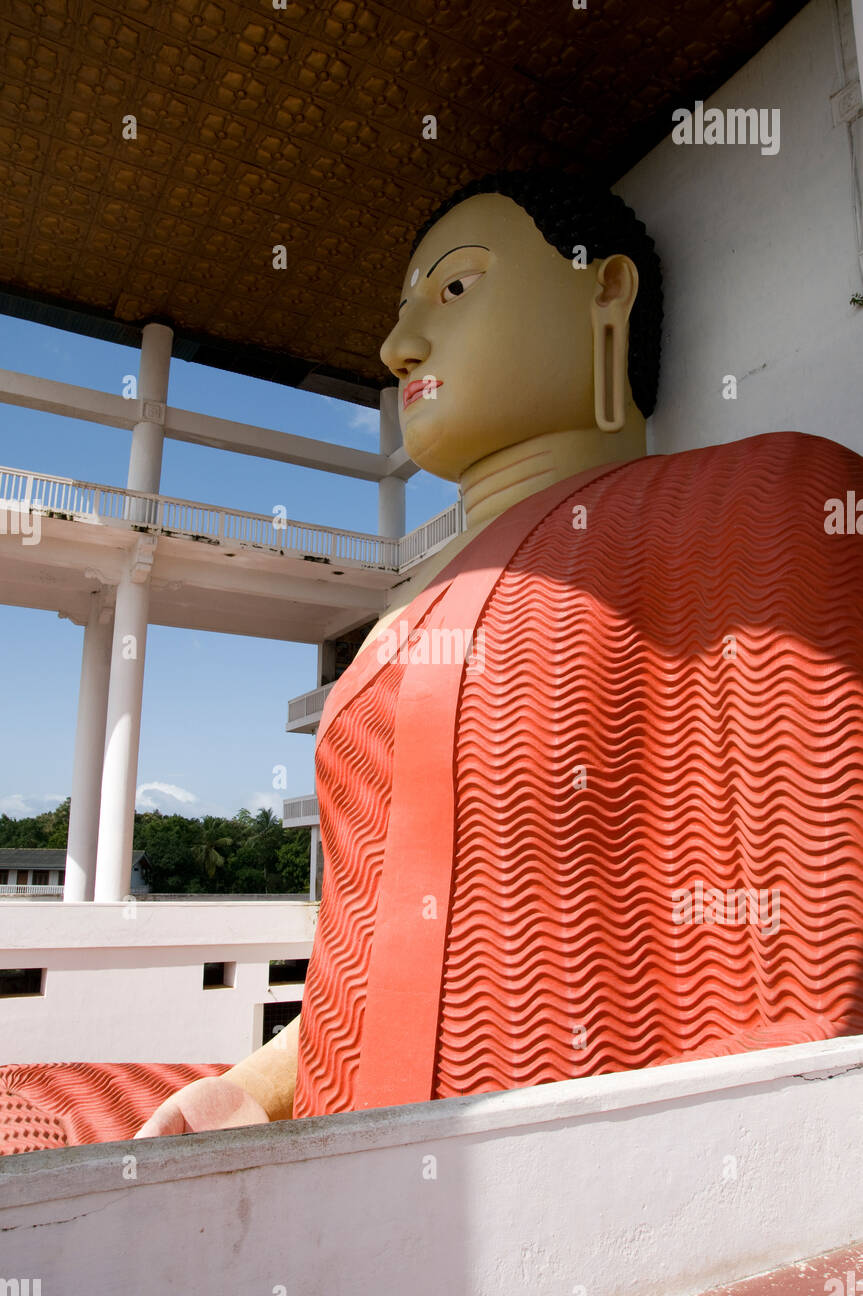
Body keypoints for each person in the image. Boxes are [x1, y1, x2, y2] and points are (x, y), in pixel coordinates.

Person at [136, 171, 863, 1138]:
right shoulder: (382, 642)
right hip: (346, 1165)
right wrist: (262, 1087)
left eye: (454, 289)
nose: (399, 347)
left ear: (605, 293)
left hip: (611, 1180)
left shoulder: (765, 503)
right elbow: (371, 953)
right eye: (403, 311)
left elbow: (812, 948)